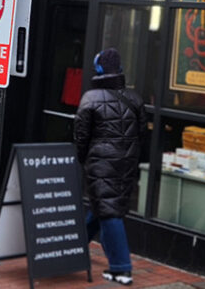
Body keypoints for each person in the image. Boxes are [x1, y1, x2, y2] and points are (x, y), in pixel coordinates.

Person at [73, 48, 148, 286]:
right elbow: (142, 133)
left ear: (99, 69)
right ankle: (73, 252)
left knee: (110, 212)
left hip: (100, 164)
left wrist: (83, 159)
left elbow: (81, 137)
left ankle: (121, 268)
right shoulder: (135, 98)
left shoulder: (90, 99)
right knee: (103, 206)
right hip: (126, 164)